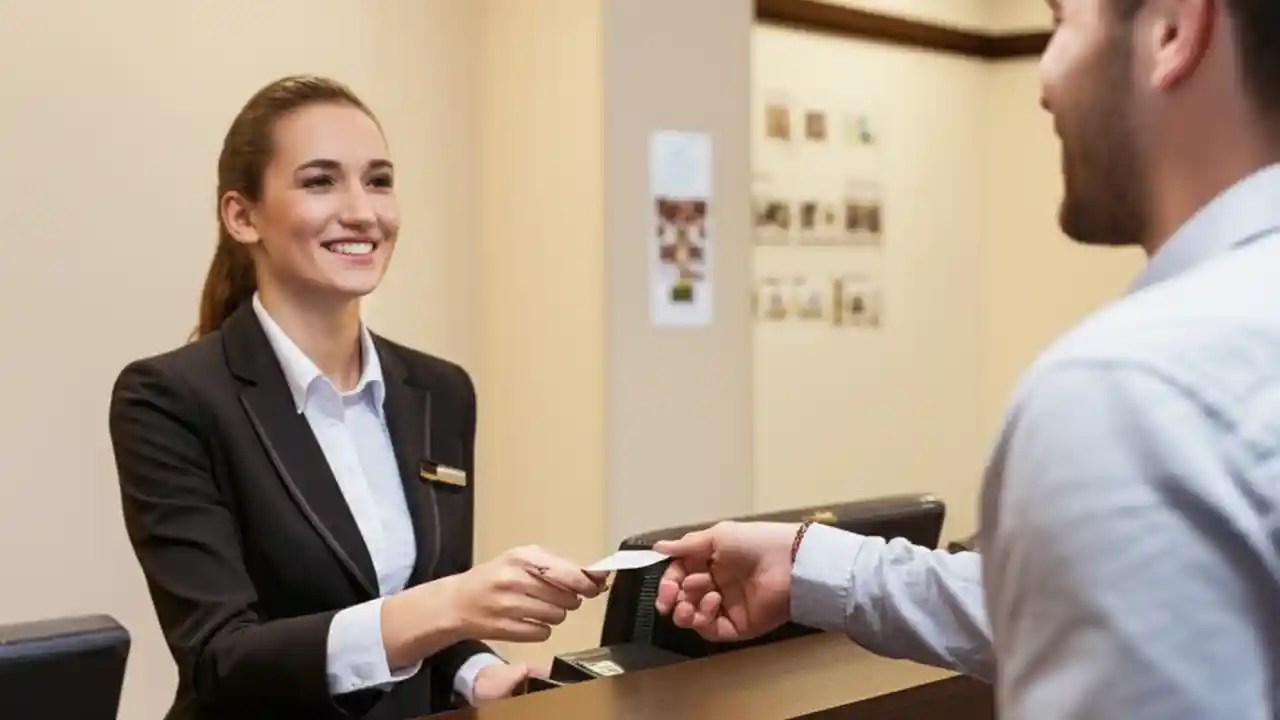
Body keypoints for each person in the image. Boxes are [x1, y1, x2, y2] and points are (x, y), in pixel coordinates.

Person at [655, 1, 1280, 717]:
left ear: (1173, 29)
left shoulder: (1128, 391)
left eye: (1060, 24)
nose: (1044, 83)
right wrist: (812, 566)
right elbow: (1119, 604)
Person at [108, 75, 605, 720]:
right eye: (320, 181)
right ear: (242, 215)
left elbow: (418, 614)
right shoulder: (170, 400)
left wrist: (478, 674)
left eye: (378, 180)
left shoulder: (440, 391)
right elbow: (219, 660)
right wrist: (453, 604)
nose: (363, 212)